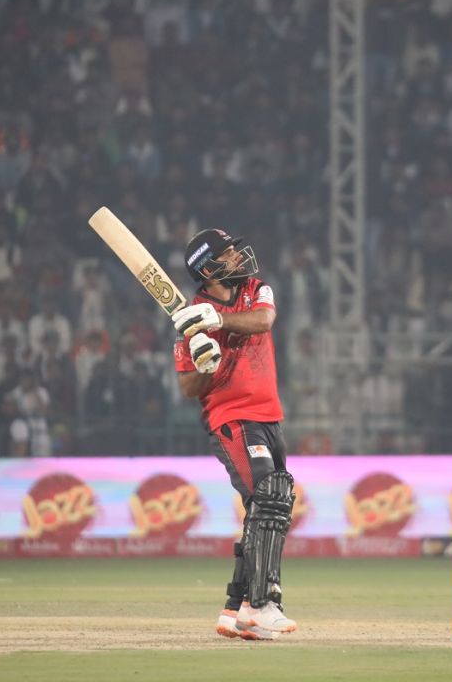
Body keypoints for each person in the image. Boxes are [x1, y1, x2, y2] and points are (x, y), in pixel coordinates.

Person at [170, 228, 297, 640]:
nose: (238, 258)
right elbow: (189, 388)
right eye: (227, 255)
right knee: (269, 496)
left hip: (269, 416)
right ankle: (262, 604)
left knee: (266, 508)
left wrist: (219, 320)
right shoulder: (189, 321)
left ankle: (235, 610)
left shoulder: (257, 289)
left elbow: (265, 320)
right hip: (232, 419)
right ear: (208, 270)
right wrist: (204, 364)